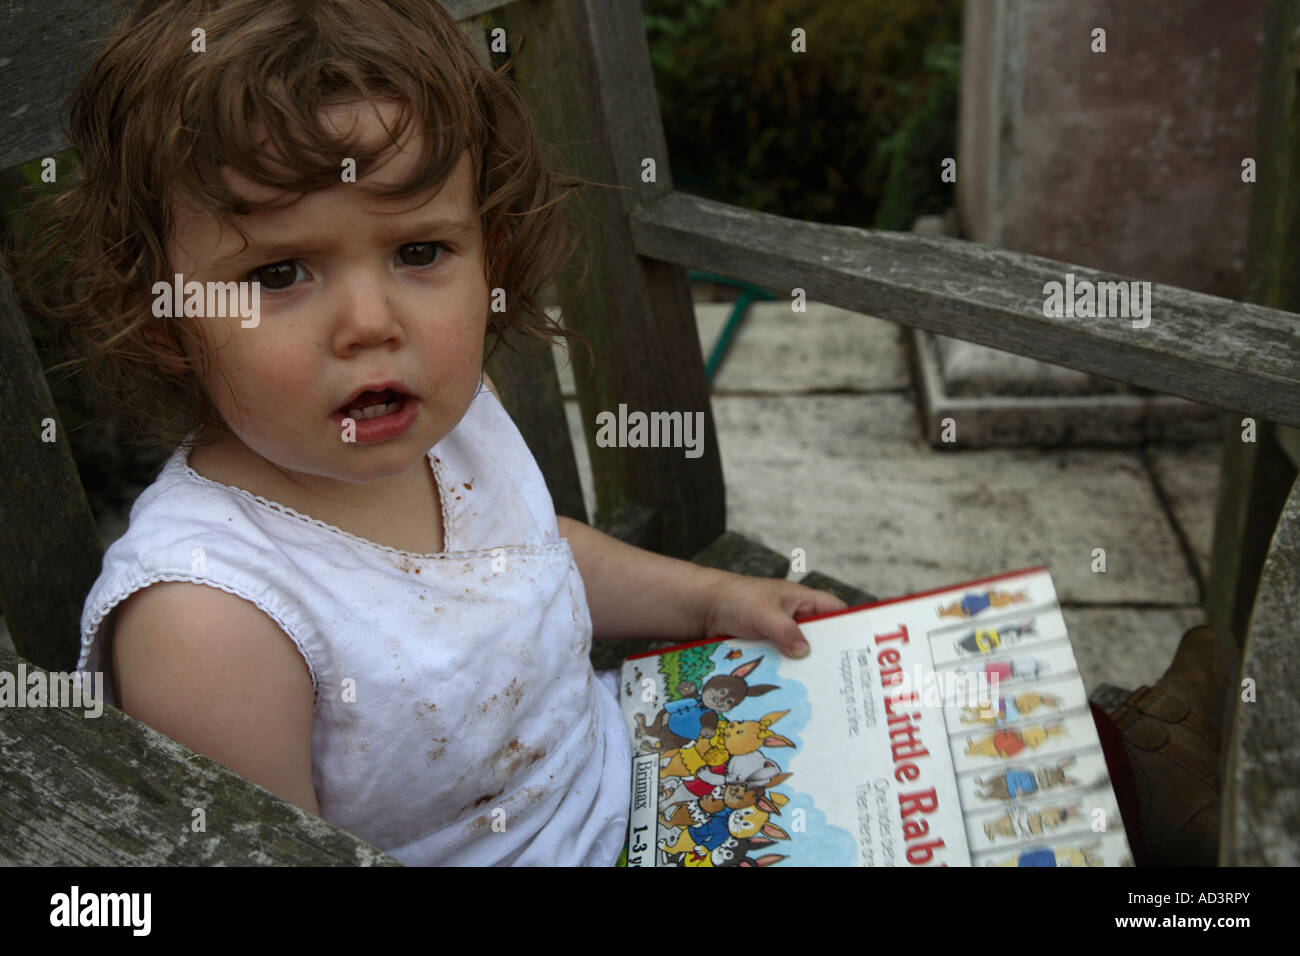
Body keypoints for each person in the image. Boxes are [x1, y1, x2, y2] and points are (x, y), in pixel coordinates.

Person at [4, 0, 844, 865]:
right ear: (164, 321)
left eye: (418, 253)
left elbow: (529, 558)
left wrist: (710, 599)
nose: (371, 323)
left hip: (653, 783)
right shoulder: (211, 617)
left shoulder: (451, 419)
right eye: (281, 272)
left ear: (491, 254)